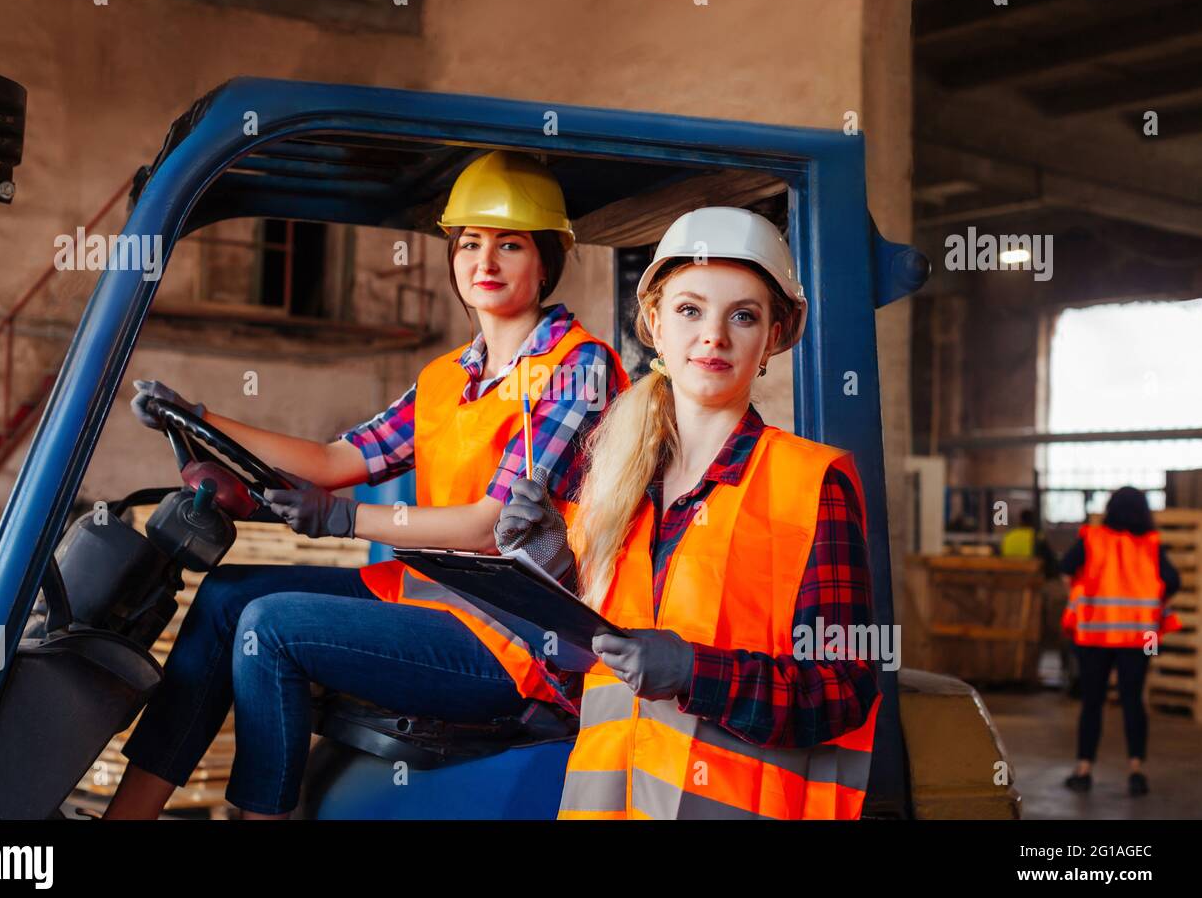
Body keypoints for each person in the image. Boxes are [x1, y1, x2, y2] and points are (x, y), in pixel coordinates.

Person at [103, 151, 627, 819]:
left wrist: (345, 520)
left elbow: (490, 527)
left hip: (513, 641)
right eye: (469, 243)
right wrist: (203, 419)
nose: (485, 263)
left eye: (510, 245)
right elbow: (331, 460)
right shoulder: (448, 378)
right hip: (431, 603)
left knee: (272, 625)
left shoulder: (576, 368)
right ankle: (130, 814)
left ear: (546, 259)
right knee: (231, 594)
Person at [497, 207, 882, 819]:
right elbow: (580, 680)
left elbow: (842, 691)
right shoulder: (611, 491)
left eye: (744, 316)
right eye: (690, 309)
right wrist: (549, 578)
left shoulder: (812, 485)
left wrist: (692, 671)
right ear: (654, 321)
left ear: (773, 338)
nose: (714, 336)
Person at [1059, 486, 1181, 797]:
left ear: (1110, 509)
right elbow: (1172, 582)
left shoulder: (1092, 539)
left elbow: (1065, 568)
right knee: (1133, 700)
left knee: (1092, 702)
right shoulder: (1152, 545)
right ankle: (1136, 770)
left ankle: (1084, 770)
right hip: (1142, 638)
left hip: (1093, 637)